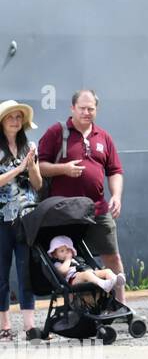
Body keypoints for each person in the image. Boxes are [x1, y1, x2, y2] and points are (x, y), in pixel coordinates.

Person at [37, 88, 125, 279]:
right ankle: (78, 303)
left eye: (91, 109)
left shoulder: (104, 137)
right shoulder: (56, 132)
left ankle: (121, 305)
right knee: (68, 260)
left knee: (113, 258)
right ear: (72, 108)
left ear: (97, 110)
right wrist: (64, 169)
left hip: (97, 209)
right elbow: (39, 167)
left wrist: (116, 196)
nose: (86, 113)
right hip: (64, 212)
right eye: (82, 108)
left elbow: (115, 171)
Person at [0, 100, 43, 341]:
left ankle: (29, 326)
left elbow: (37, 184)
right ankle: (4, 325)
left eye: (18, 117)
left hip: (26, 218)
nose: (15, 121)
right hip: (1, 220)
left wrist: (32, 165)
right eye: (10, 117)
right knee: (1, 273)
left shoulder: (28, 146)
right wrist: (19, 169)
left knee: (26, 272)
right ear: (2, 122)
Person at [47, 236, 125, 304]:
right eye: (62, 251)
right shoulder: (58, 264)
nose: (66, 252)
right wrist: (68, 260)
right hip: (72, 280)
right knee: (86, 274)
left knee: (107, 271)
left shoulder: (76, 259)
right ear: (55, 255)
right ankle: (103, 284)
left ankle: (115, 280)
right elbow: (63, 272)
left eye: (68, 250)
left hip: (87, 273)